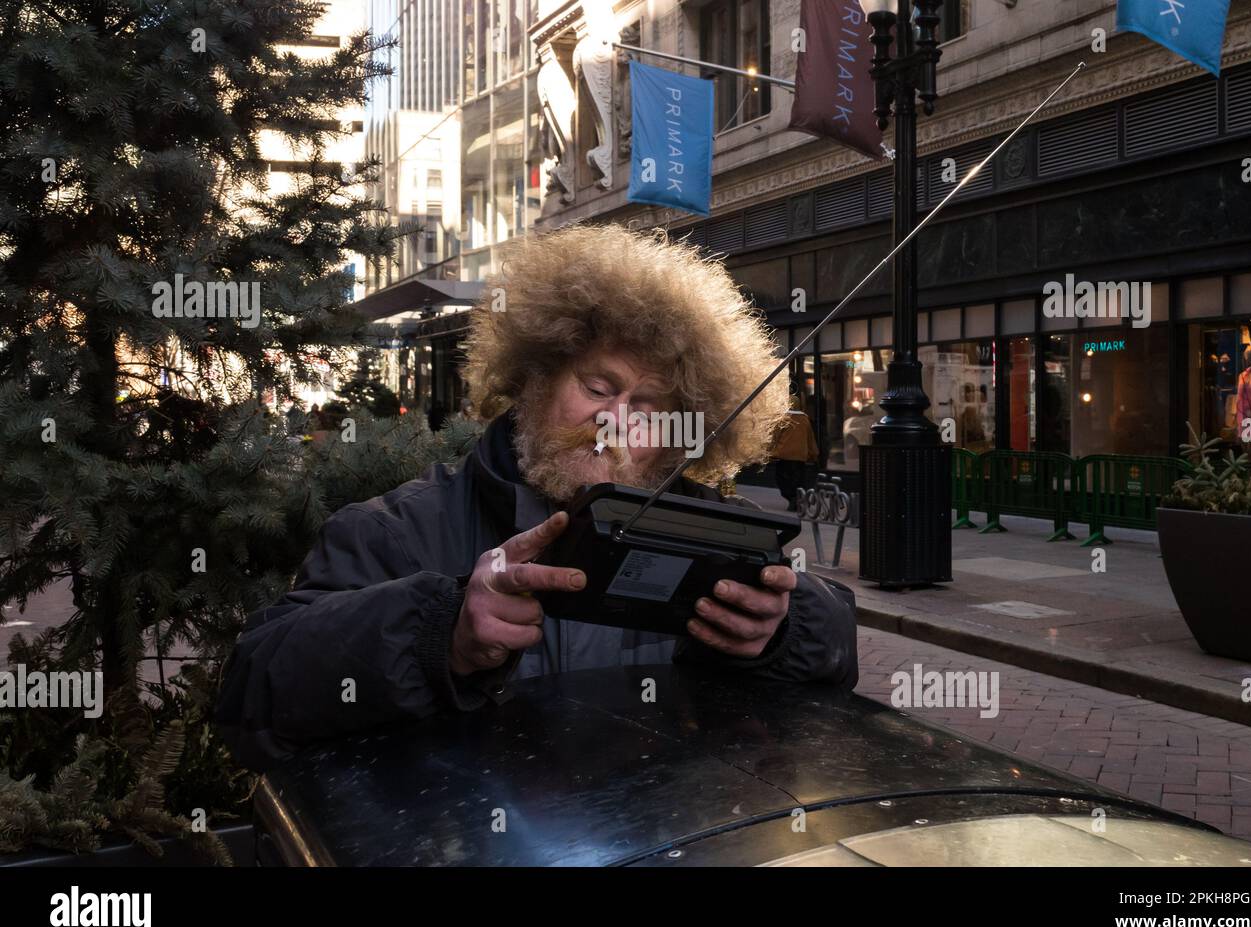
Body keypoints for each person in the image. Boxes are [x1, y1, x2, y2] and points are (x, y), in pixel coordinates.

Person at [215, 225, 859, 770]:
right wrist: (444, 634)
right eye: (598, 386)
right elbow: (253, 694)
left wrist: (782, 630)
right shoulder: (396, 531)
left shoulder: (718, 535)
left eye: (651, 406)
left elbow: (838, 651)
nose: (616, 422)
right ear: (533, 378)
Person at [770, 392, 819, 511]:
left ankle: (792, 498)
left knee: (783, 480)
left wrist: (770, 451)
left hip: (784, 456)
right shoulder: (805, 420)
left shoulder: (783, 419)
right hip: (800, 457)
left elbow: (775, 437)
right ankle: (795, 498)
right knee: (798, 480)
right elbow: (810, 438)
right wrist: (813, 454)